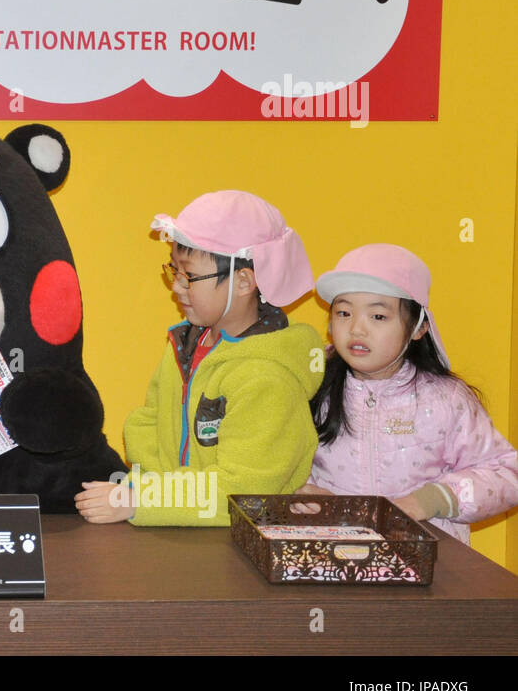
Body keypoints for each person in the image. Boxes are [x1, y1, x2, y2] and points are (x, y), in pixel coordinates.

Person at [75, 190, 320, 525]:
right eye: (173, 270)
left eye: (188, 275)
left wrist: (139, 499)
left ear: (244, 281)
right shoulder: (185, 345)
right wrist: (141, 487)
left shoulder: (268, 379)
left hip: (237, 545)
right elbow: (151, 422)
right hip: (173, 526)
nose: (176, 287)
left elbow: (243, 492)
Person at [297, 244, 518, 543]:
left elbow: (507, 474)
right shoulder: (311, 389)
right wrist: (299, 490)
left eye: (378, 316)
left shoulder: (446, 398)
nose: (356, 329)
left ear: (418, 328)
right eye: (344, 312)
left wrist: (431, 500)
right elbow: (282, 459)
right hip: (336, 563)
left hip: (429, 571)